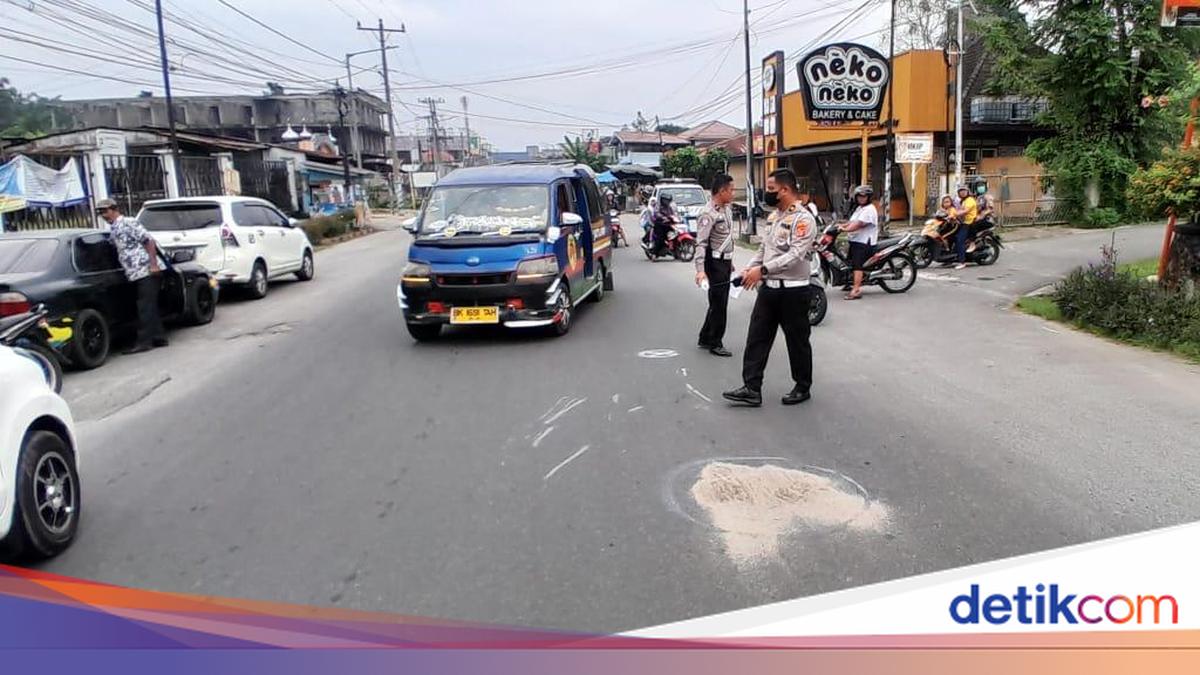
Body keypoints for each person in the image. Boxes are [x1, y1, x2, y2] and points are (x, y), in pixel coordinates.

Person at [722, 168, 818, 408]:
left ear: (785, 190)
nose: (767, 193)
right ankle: (751, 388)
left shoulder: (803, 219)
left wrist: (762, 271)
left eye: (772, 189)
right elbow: (764, 250)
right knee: (757, 338)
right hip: (769, 290)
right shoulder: (775, 217)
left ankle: (802, 386)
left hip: (794, 291)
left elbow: (796, 255)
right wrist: (750, 268)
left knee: (797, 342)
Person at [96, 198, 167, 354]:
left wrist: (153, 265)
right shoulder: (114, 229)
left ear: (114, 209)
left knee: (144, 307)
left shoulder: (128, 222)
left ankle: (144, 342)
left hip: (146, 270)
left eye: (105, 211)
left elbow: (148, 241)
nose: (103, 215)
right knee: (148, 305)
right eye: (100, 212)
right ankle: (159, 337)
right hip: (134, 273)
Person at [694, 173, 736, 357]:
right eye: (731, 190)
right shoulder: (707, 214)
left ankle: (705, 336)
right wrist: (700, 271)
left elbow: (725, 239)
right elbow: (701, 243)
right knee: (720, 304)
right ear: (722, 191)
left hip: (725, 261)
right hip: (714, 263)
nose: (733, 194)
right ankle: (715, 342)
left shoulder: (726, 209)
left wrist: (730, 261)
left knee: (716, 302)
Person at [839, 184, 878, 300]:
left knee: (857, 265)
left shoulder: (869, 210)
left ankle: (856, 289)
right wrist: (840, 225)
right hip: (856, 241)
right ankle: (849, 282)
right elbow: (852, 221)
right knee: (849, 261)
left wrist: (845, 229)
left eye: (864, 196)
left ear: (868, 197)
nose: (861, 198)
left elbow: (859, 224)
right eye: (859, 196)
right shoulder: (860, 208)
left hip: (864, 243)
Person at [955, 184, 978, 270]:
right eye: (961, 191)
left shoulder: (970, 200)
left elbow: (965, 211)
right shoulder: (962, 201)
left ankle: (962, 262)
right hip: (964, 222)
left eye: (964, 191)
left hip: (969, 223)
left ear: (967, 191)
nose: (962, 192)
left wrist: (954, 214)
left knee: (959, 240)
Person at [648, 192, 677, 258]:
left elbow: (672, 214)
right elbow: (656, 213)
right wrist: (663, 217)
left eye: (669, 201)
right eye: (666, 200)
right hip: (660, 224)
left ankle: (674, 250)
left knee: (675, 234)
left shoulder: (669, 207)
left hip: (667, 224)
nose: (668, 202)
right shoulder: (658, 206)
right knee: (660, 239)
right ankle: (654, 254)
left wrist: (675, 217)